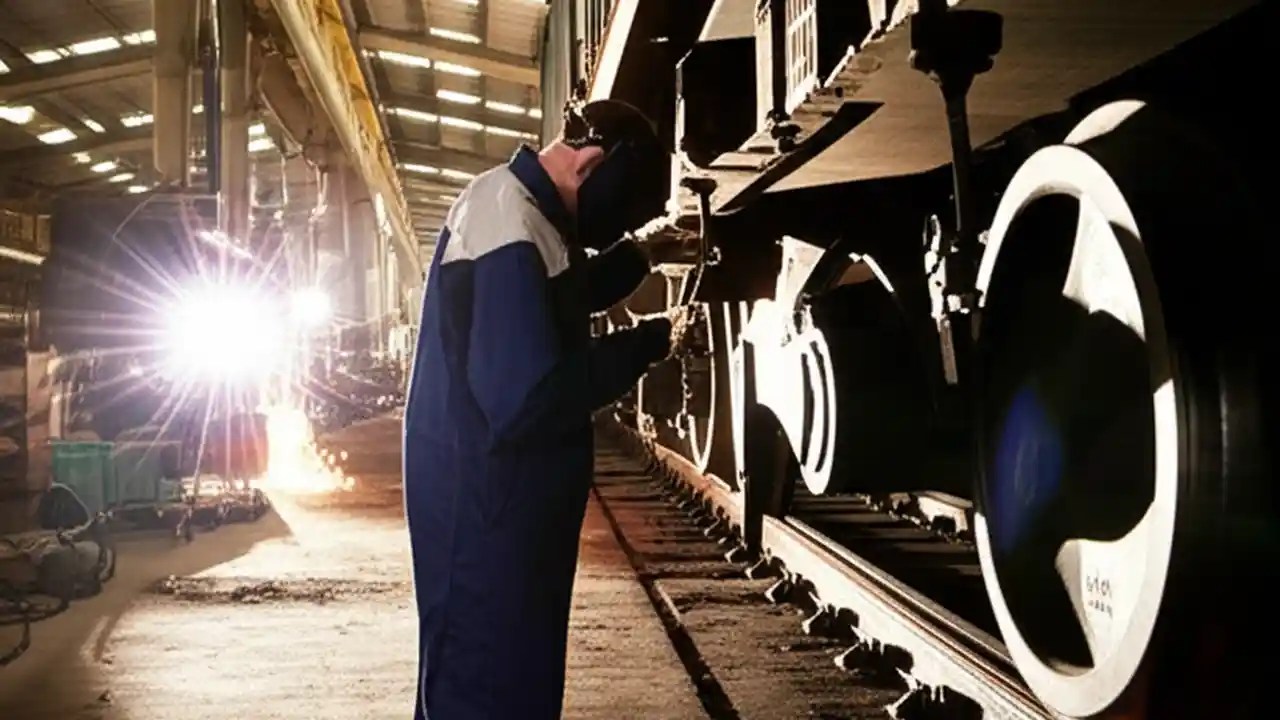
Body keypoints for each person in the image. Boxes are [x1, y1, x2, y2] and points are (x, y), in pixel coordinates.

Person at [403, 99, 692, 719]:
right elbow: (525, 398)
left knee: (512, 685)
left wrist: (646, 251)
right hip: (487, 511)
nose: (603, 231)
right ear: (589, 165)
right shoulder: (508, 218)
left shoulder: (522, 211)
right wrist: (647, 342)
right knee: (489, 691)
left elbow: (560, 299)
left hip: (505, 507)